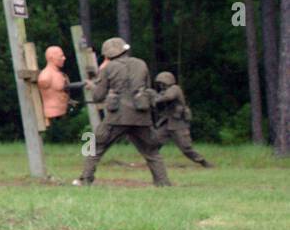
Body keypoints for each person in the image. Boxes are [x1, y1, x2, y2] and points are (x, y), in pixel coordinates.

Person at [74, 37, 171, 187]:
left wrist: (93, 86)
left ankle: (85, 179)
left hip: (117, 117)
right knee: (151, 152)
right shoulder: (141, 64)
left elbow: (98, 96)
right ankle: (163, 183)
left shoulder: (108, 68)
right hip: (141, 116)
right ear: (124, 50)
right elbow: (146, 87)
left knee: (93, 146)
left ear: (107, 55)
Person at [153, 72, 213, 168]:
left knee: (185, 147)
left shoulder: (175, 89)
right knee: (154, 142)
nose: (160, 85)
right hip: (167, 122)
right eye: (159, 83)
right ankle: (153, 162)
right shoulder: (163, 92)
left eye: (162, 83)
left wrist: (155, 99)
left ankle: (203, 161)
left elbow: (169, 97)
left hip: (178, 123)